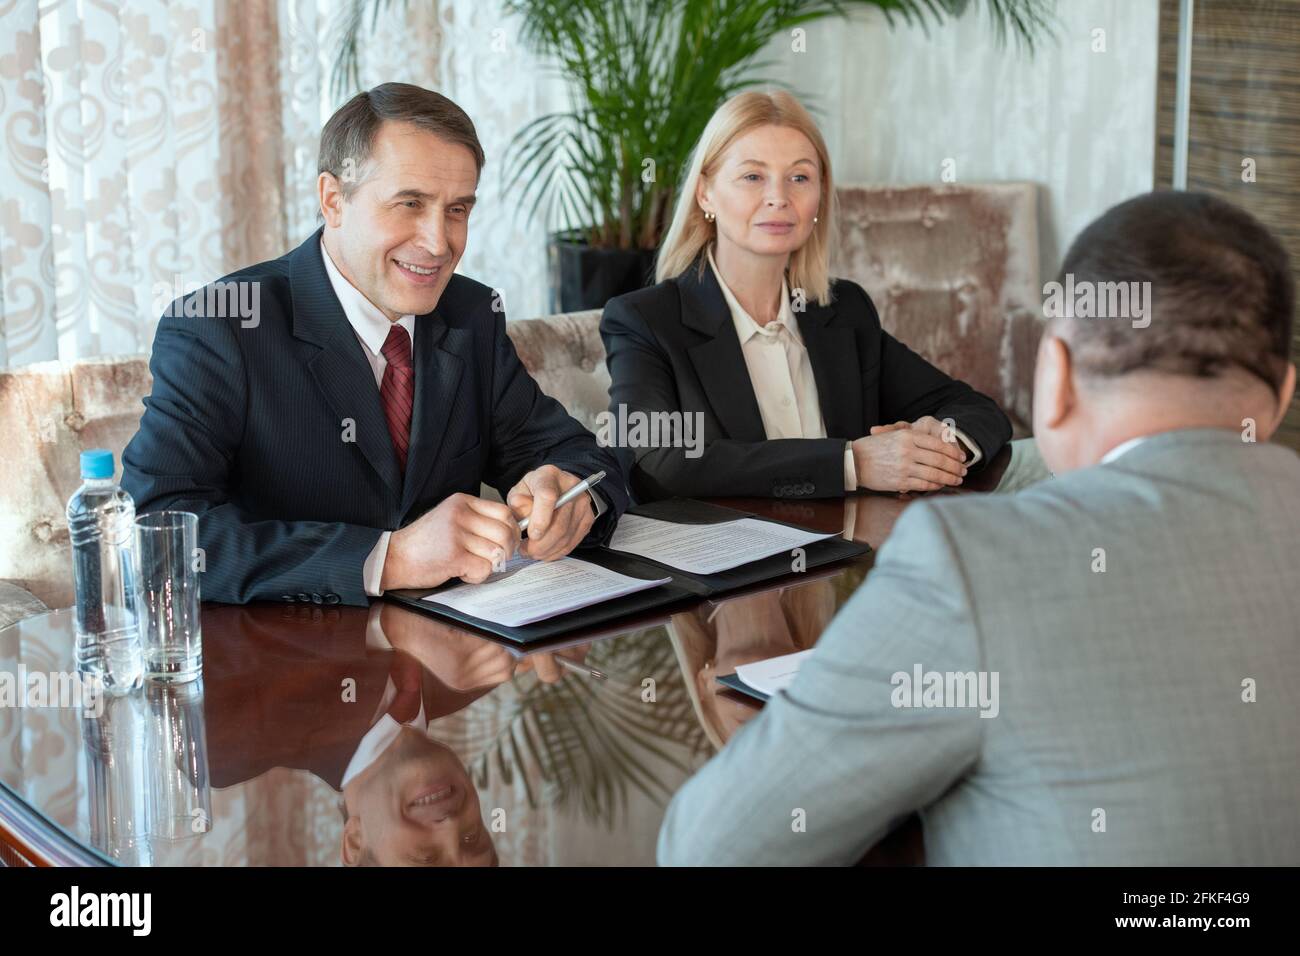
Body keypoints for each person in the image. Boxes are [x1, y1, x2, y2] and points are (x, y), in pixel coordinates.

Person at [657, 190, 1300, 865]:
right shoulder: (662, 317)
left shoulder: (975, 564)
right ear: (1282, 393)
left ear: (1055, 376)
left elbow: (712, 848)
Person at [122, 83, 627, 606]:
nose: (439, 242)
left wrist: (574, 495)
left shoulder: (471, 315)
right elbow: (155, 536)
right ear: (333, 200)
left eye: (457, 210)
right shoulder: (219, 327)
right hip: (284, 667)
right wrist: (391, 557)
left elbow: (580, 455)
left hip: (455, 663)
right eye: (410, 203)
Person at [600, 90, 1011, 502]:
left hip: (849, 558)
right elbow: (652, 464)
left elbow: (975, 409)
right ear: (706, 193)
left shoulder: (843, 310)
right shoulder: (644, 321)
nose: (779, 197)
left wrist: (938, 447)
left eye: (799, 177)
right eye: (753, 176)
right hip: (732, 562)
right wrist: (853, 464)